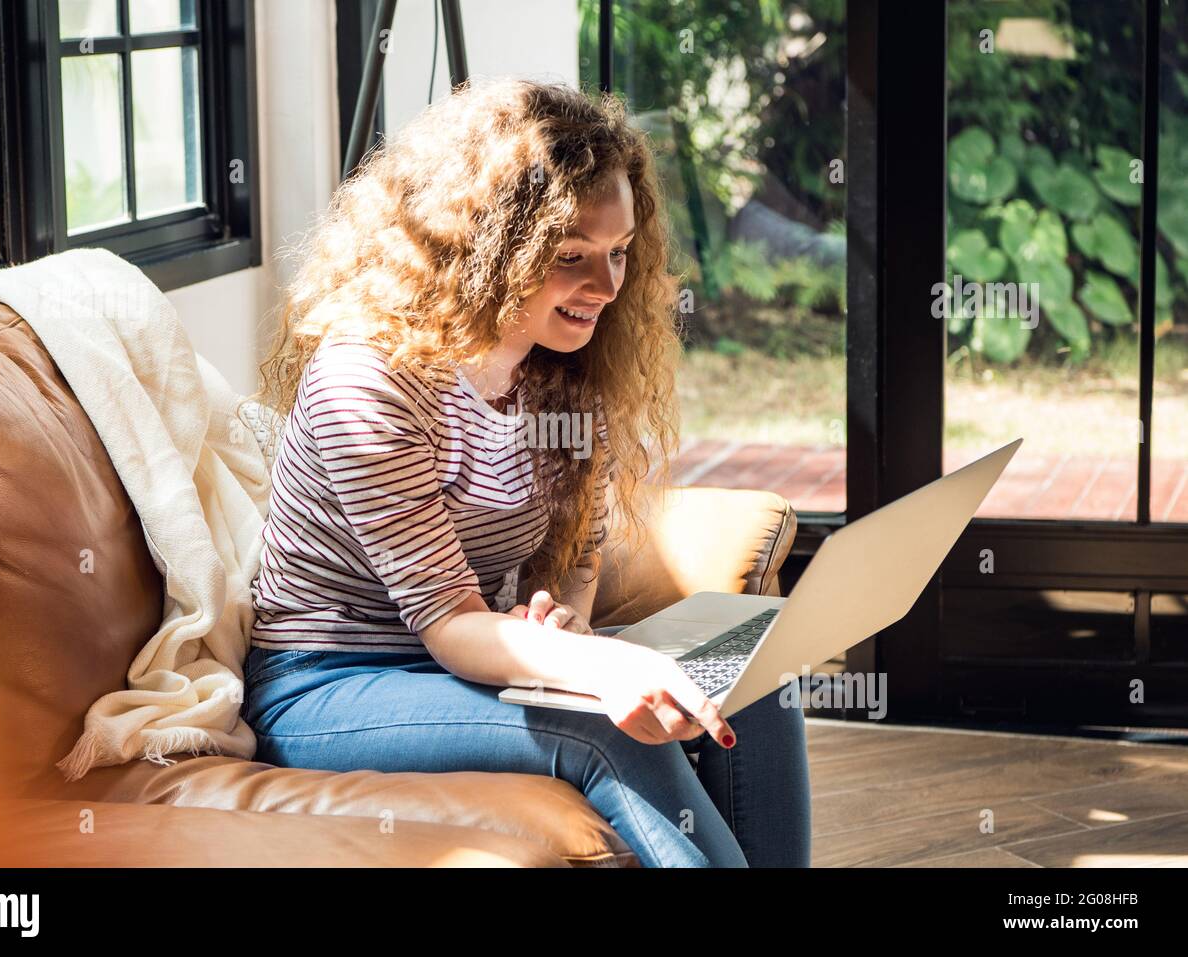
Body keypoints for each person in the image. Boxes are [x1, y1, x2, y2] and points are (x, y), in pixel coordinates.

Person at [242, 77, 810, 867]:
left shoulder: (561, 369)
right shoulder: (367, 381)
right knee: (604, 729)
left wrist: (568, 622)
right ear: (484, 250)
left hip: (479, 660)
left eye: (619, 253)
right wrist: (600, 666)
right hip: (332, 682)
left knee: (750, 666)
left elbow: (574, 555)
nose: (608, 288)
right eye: (571, 256)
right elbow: (450, 626)